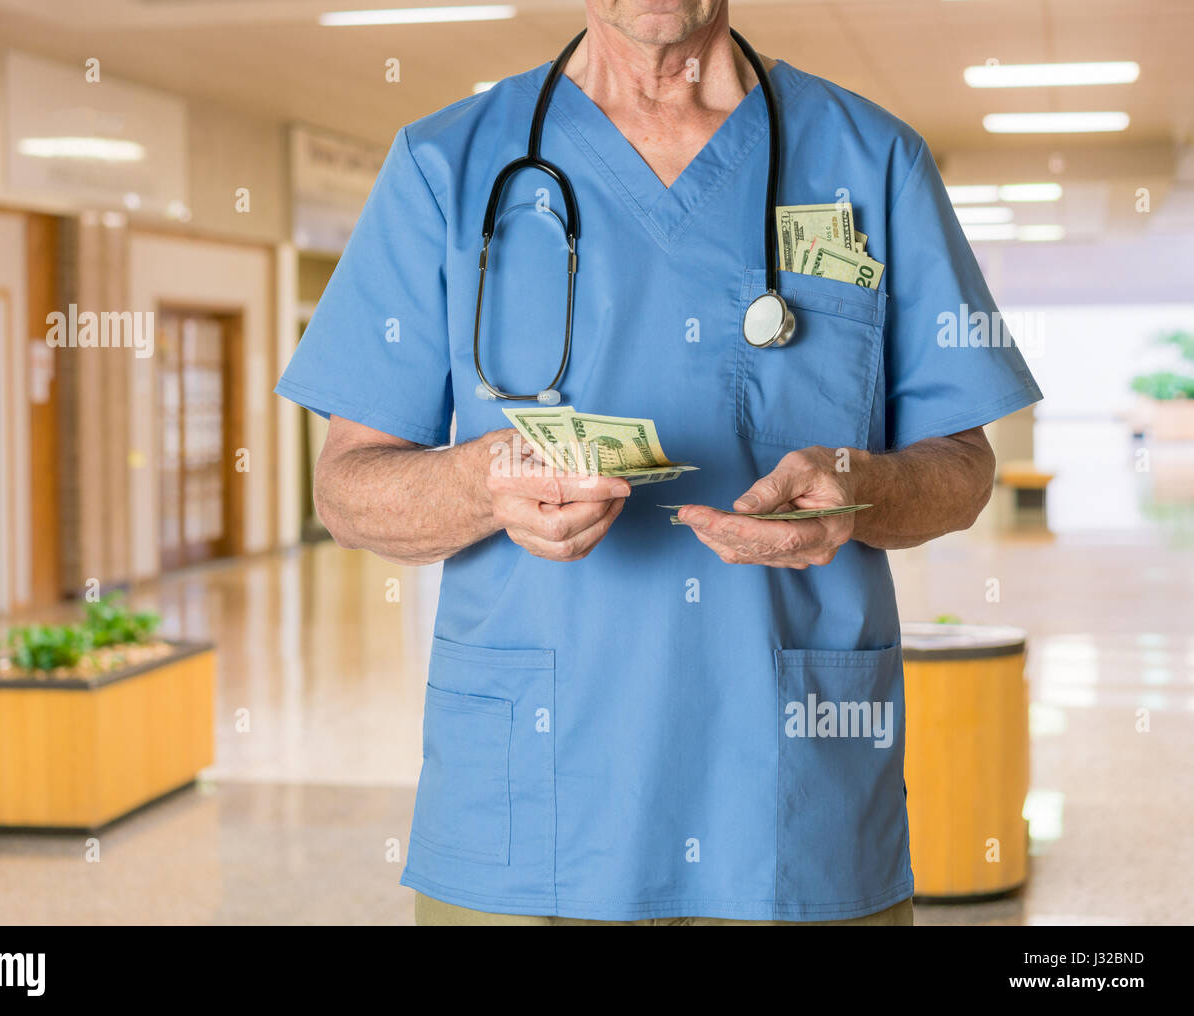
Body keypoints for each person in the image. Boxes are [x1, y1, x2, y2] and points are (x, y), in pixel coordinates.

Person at [276, 0, 1042, 925]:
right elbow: (349, 490)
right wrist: (484, 482)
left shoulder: (872, 161)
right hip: (532, 814)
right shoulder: (446, 165)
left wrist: (863, 489)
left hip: (793, 815)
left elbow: (962, 466)